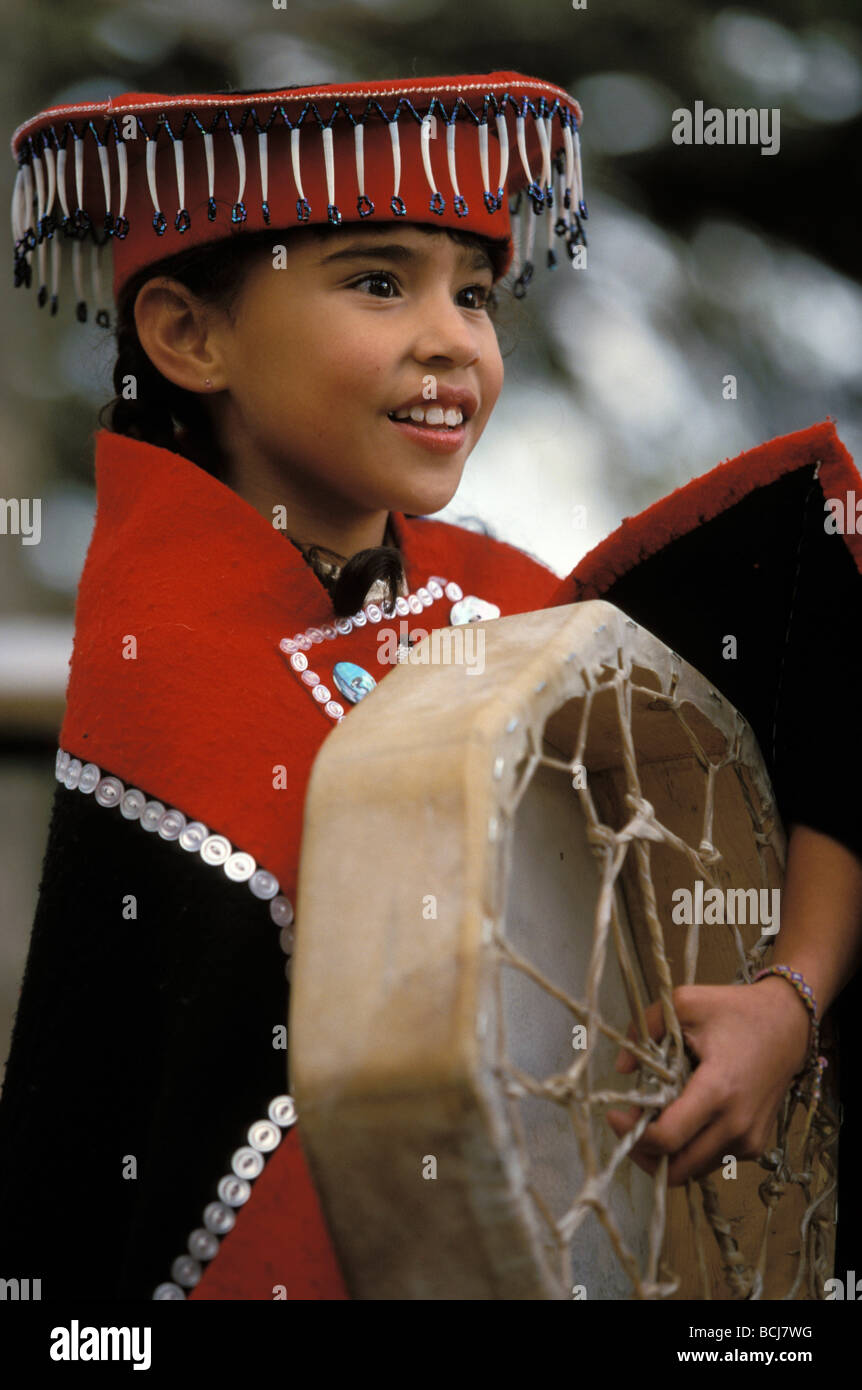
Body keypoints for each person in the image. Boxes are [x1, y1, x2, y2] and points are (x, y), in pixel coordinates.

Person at [1, 69, 860, 1302]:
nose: (453, 338)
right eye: (375, 280)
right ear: (190, 335)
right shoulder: (163, 671)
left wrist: (791, 991)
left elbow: (818, 696)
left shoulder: (514, 601)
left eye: (473, 292)